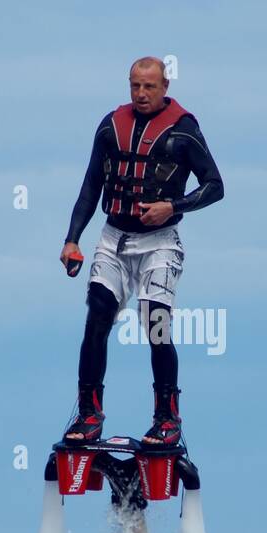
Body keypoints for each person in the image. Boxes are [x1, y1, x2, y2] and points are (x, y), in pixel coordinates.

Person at [60, 57, 224, 445]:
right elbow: (90, 186)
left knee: (156, 324)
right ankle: (88, 414)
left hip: (160, 244)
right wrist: (72, 239)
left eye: (149, 86)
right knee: (97, 318)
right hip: (113, 239)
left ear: (165, 87)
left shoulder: (184, 131)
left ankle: (167, 419)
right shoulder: (109, 127)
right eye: (135, 86)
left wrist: (174, 206)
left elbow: (215, 185)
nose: (141, 93)